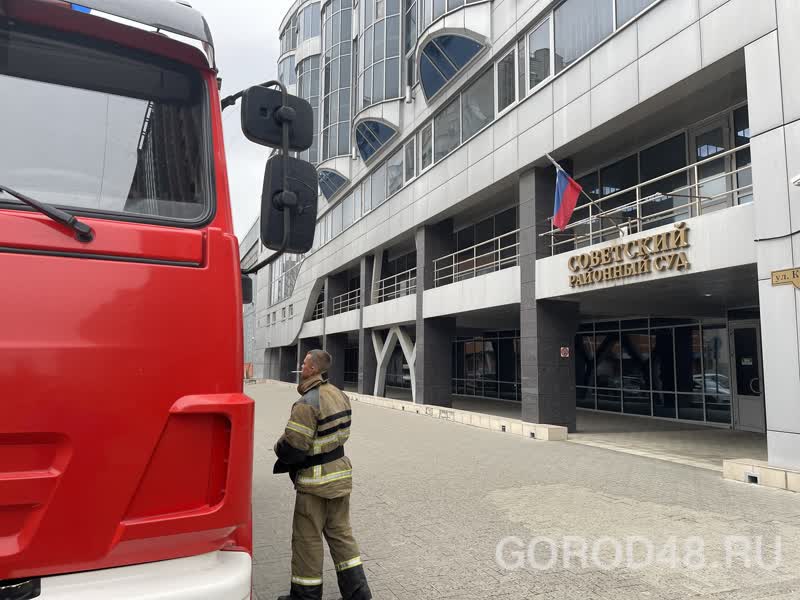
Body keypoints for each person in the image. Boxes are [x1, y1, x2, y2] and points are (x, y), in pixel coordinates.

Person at [273, 349, 372, 600]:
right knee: (342, 535)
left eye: (304, 363)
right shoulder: (339, 394)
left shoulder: (306, 403)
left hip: (314, 483)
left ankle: (305, 596)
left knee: (307, 540)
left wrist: (278, 448)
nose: (301, 367)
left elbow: (295, 446)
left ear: (314, 369)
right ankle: (358, 594)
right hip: (339, 476)